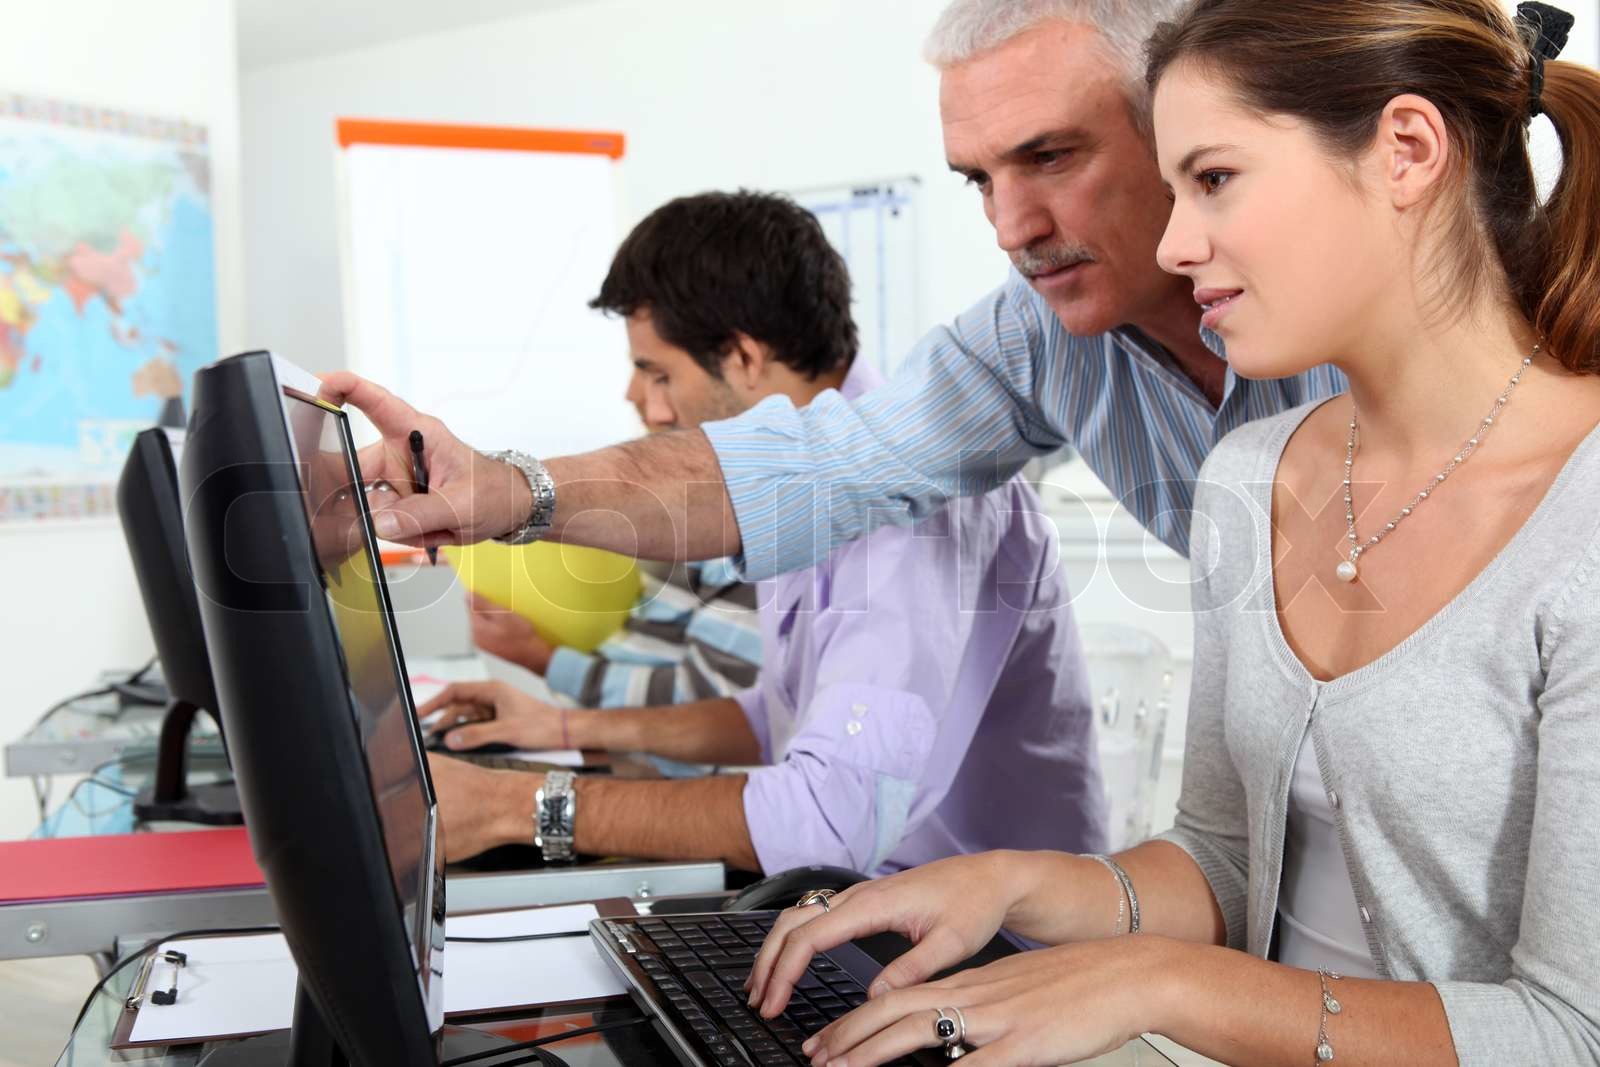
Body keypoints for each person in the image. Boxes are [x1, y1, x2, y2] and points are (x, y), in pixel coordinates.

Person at [736, 3, 1600, 1065]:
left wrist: (1161, 981)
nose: (1176, 239)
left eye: (1214, 180)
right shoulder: (1254, 472)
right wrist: (1004, 880)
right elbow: (1225, 862)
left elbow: (1574, 1028)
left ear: (1406, 151)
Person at [317, 0, 1350, 582]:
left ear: (1174, 126)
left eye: (1050, 156)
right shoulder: (1034, 335)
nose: (1011, 227)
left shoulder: (1363, 309)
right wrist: (512, 490)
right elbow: (817, 462)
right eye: (980, 180)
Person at [419, 191, 1106, 874]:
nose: (638, 398)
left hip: (991, 944)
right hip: (880, 891)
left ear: (745, 359)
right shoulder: (801, 478)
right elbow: (776, 715)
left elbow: (827, 820)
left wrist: (517, 805)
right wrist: (560, 728)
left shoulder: (911, 505)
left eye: (658, 371)